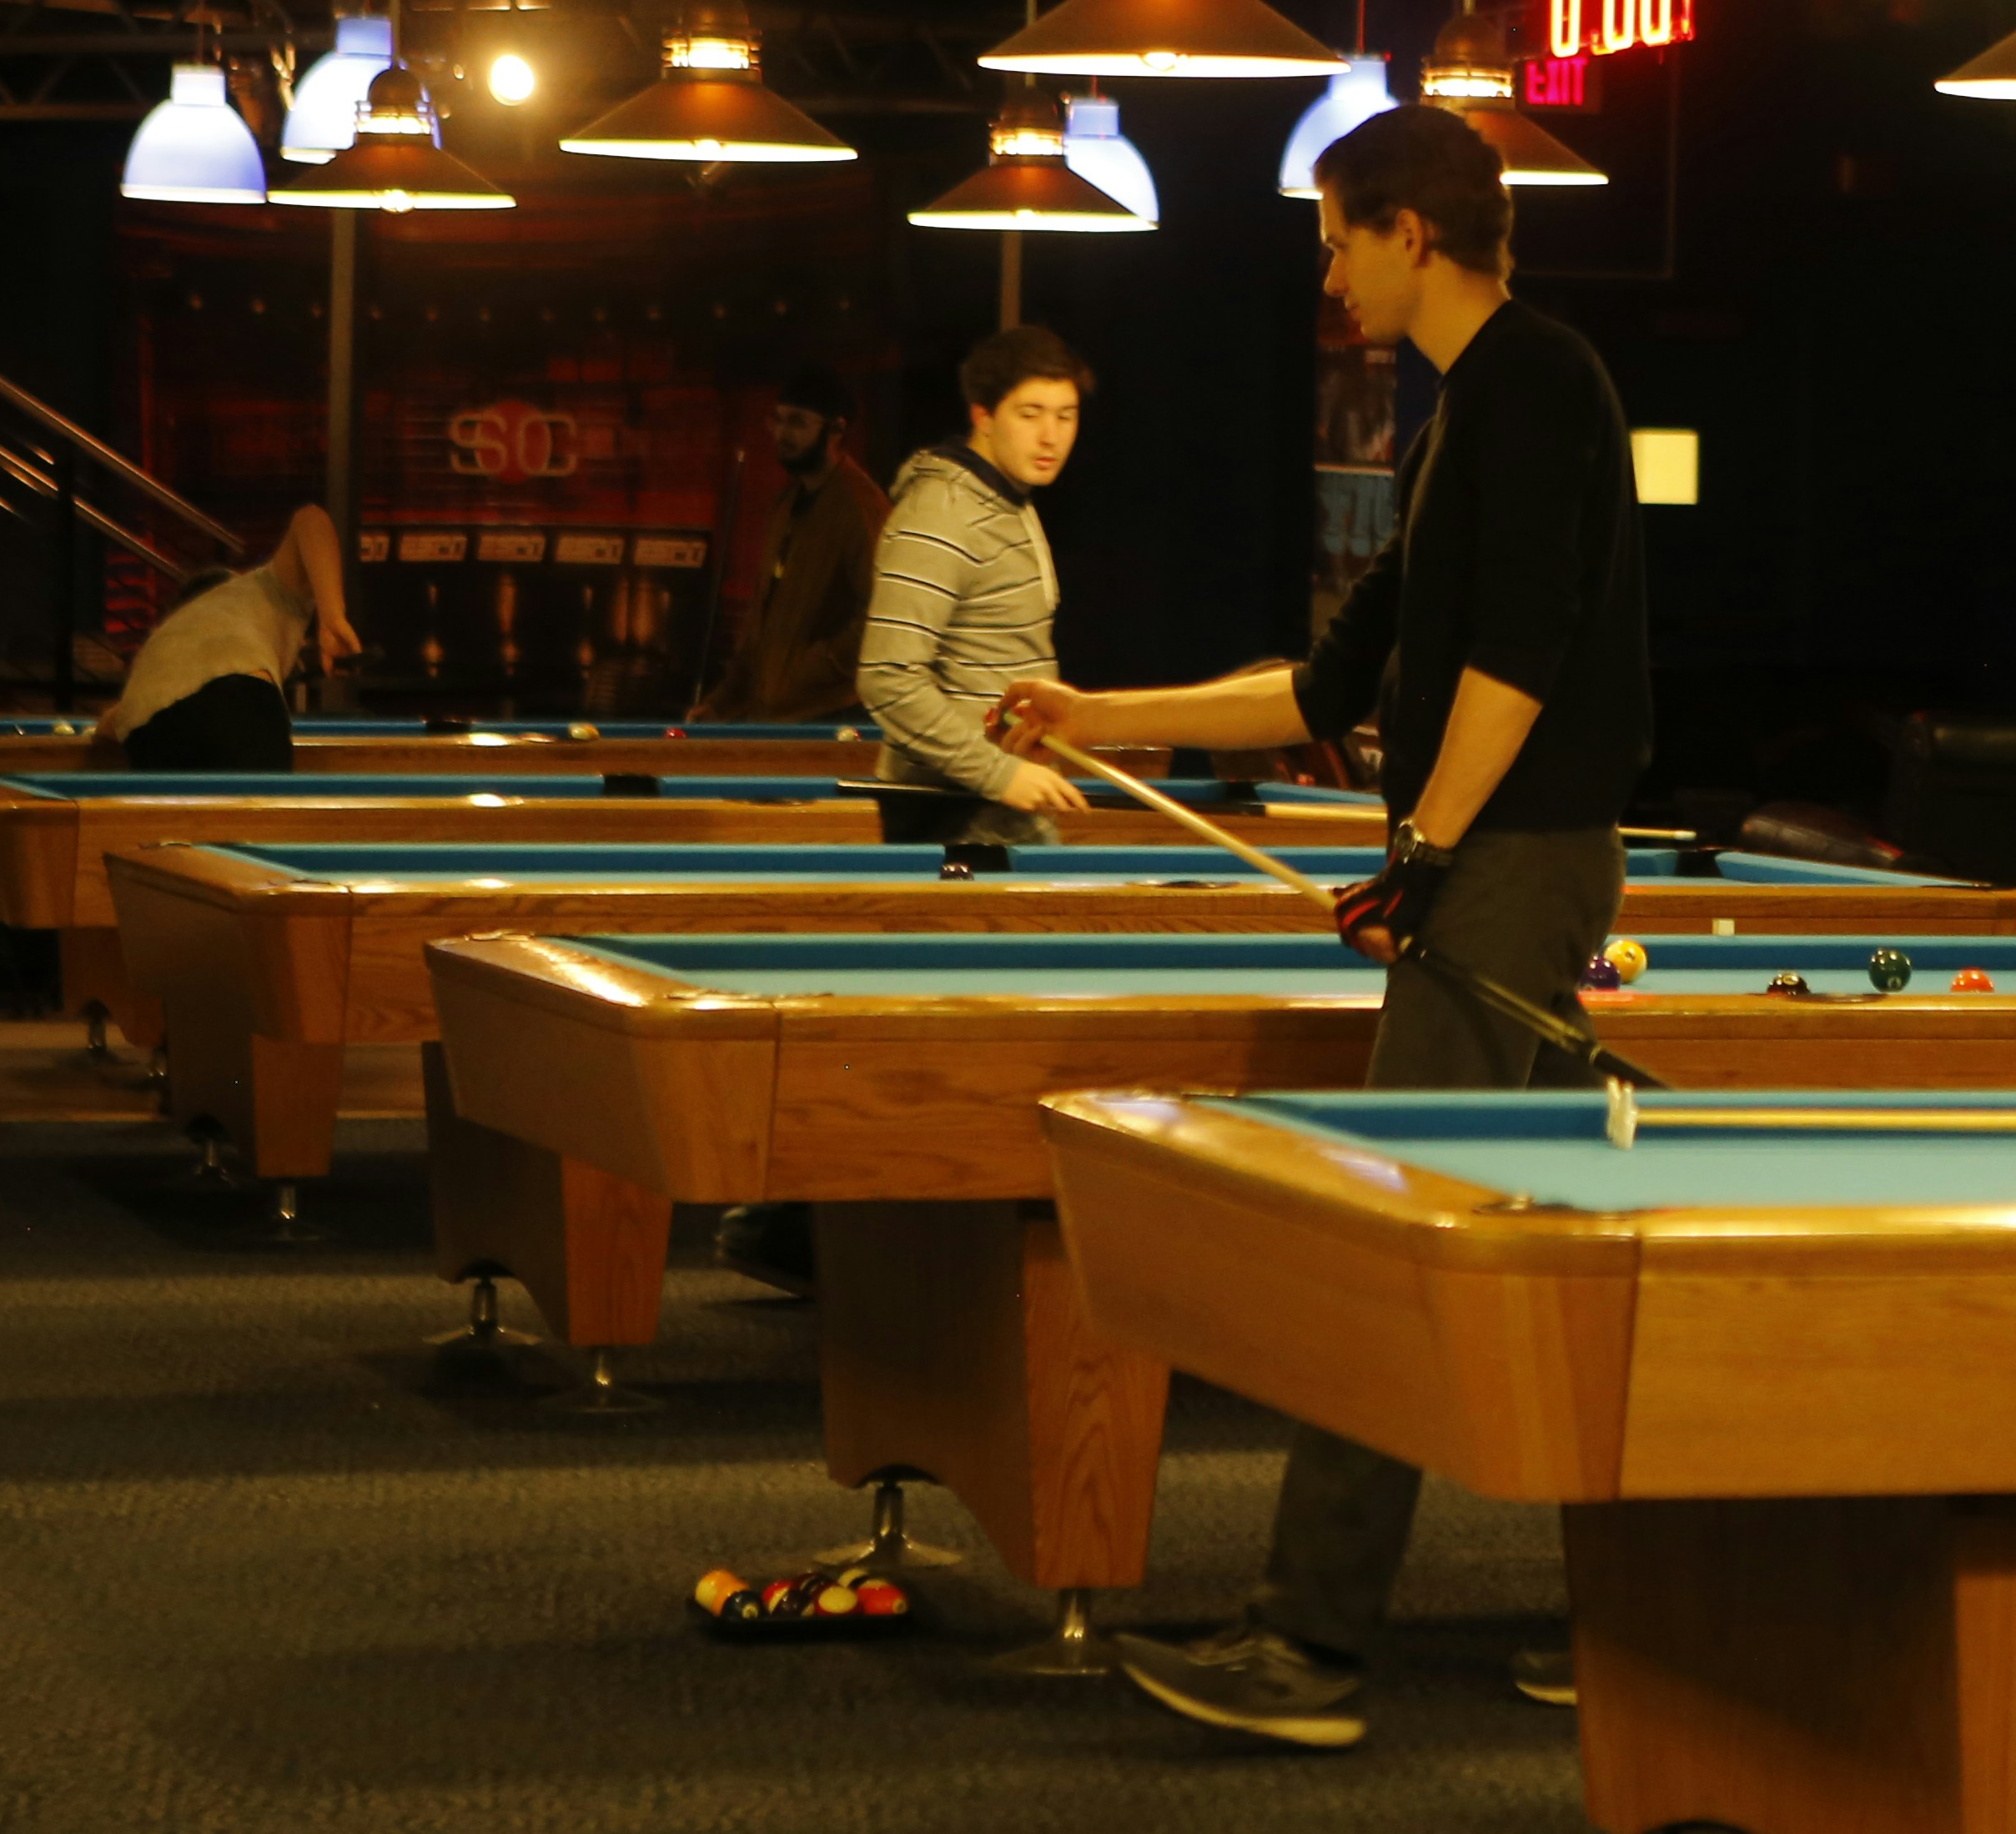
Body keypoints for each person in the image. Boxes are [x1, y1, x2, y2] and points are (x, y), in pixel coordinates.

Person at [999, 106, 1647, 1751]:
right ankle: (1651, 1624)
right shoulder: (1453, 424)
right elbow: (1325, 684)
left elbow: (1521, 658)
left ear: (1409, 235)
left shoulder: (1537, 383)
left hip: (1516, 865)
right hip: (1490, 862)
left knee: (1391, 1239)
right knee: (1552, 1258)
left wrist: (1425, 851)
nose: (1327, 271)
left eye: (1339, 239)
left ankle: (1311, 1650)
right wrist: (1096, 713)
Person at [853, 327, 1096, 837]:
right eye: (1030, 415)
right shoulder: (942, 513)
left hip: (992, 804)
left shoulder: (1005, 498)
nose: (1051, 435)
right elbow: (887, 676)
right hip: (953, 813)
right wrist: (998, 772)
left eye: (1065, 416)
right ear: (983, 416)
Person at [94, 505, 360, 771]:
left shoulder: (165, 639)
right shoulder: (252, 590)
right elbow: (311, 519)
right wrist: (332, 617)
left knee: (182, 815)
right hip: (237, 702)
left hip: (150, 730)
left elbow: (113, 722)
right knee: (261, 813)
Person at [695, 360, 887, 722]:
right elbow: (762, 621)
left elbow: (883, 614)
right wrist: (722, 702)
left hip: (831, 715)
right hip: (779, 713)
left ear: (836, 430)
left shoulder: (859, 508)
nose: (783, 433)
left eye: (798, 422)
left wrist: (815, 668)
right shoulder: (786, 505)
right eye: (779, 420)